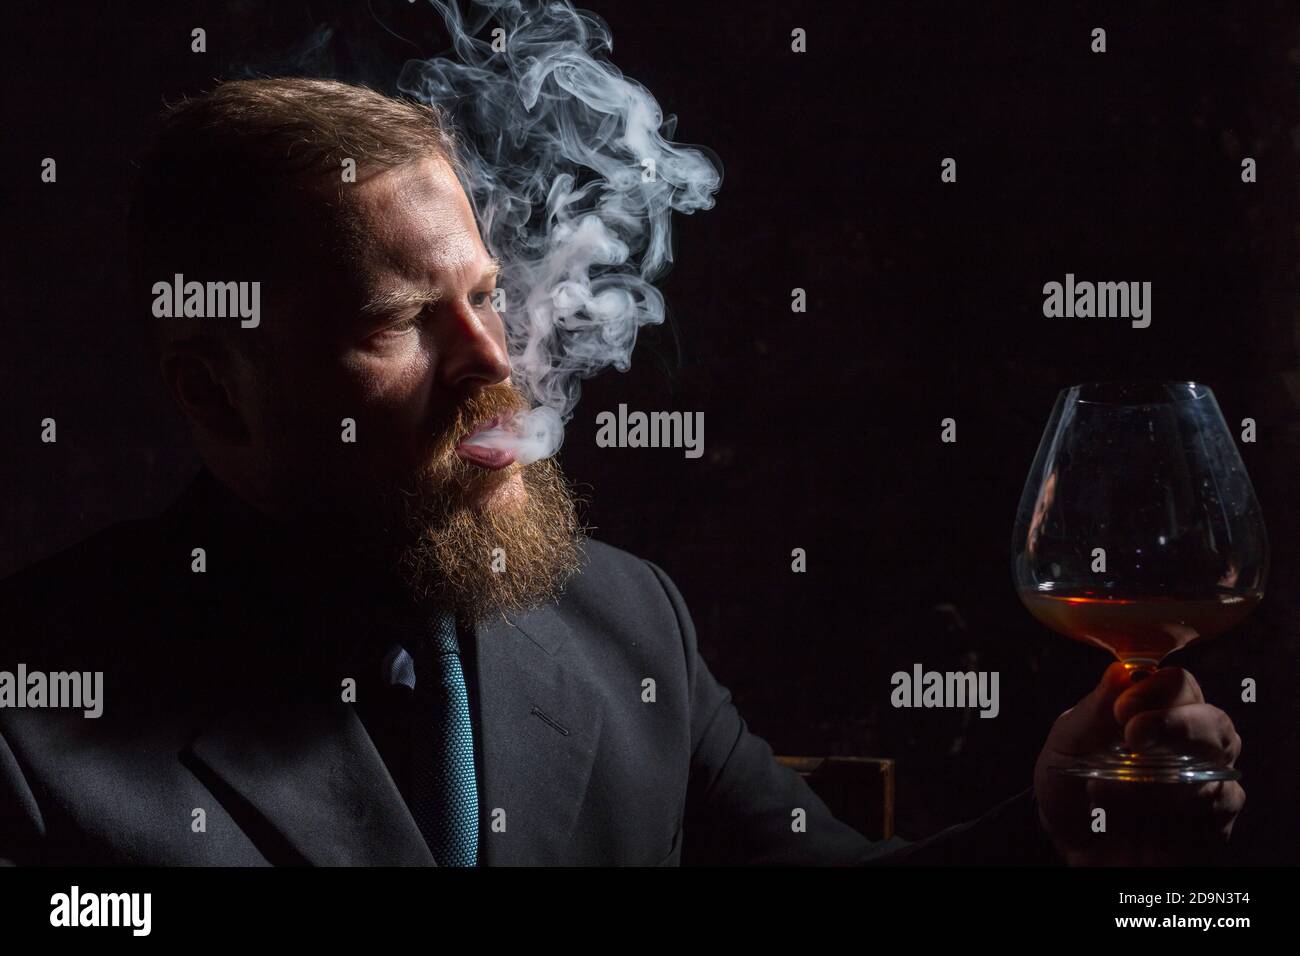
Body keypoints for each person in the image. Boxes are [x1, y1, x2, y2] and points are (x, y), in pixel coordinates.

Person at [0, 78, 1243, 866]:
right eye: (397, 320)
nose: (497, 363)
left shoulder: (621, 619)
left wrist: (1052, 826)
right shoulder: (33, 724)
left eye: (484, 294)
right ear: (216, 385)